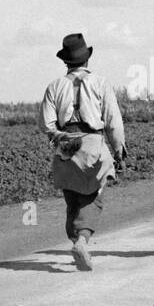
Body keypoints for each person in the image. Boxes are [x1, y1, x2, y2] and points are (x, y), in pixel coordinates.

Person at [39, 33, 126, 271]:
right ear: (87, 59)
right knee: (94, 195)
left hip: (64, 144)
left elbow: (47, 124)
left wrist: (60, 137)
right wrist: (119, 152)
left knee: (72, 196)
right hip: (93, 143)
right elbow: (113, 122)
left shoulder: (54, 86)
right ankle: (82, 241)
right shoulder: (100, 83)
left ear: (66, 61)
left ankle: (75, 237)